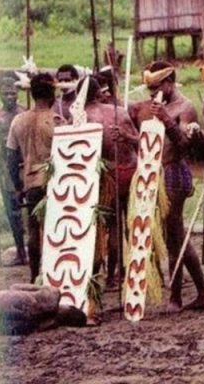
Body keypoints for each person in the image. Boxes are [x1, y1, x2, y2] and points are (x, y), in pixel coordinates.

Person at [121, 62, 204, 312]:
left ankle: (175, 297)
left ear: (170, 82)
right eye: (149, 88)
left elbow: (184, 146)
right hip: (154, 173)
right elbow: (152, 143)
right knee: (177, 235)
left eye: (157, 86)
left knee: (174, 236)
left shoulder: (185, 108)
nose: (152, 93)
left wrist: (166, 119)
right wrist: (129, 138)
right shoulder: (148, 107)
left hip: (175, 173)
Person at [79, 76, 139, 289]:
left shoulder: (81, 117)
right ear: (98, 93)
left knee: (112, 227)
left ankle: (113, 276)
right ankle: (128, 270)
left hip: (109, 176)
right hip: (131, 170)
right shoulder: (120, 112)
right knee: (132, 223)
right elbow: (139, 140)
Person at [6, 73, 58, 282]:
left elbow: (11, 157)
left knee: (34, 231)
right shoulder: (56, 121)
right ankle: (53, 273)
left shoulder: (19, 120)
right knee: (53, 229)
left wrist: (18, 188)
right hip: (53, 182)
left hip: (30, 183)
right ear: (52, 94)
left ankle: (35, 275)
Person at [0, 77, 27, 266]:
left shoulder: (24, 113)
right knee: (13, 212)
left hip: (26, 166)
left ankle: (37, 248)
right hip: (7, 169)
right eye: (6, 93)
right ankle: (20, 252)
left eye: (13, 93)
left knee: (33, 210)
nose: (10, 96)